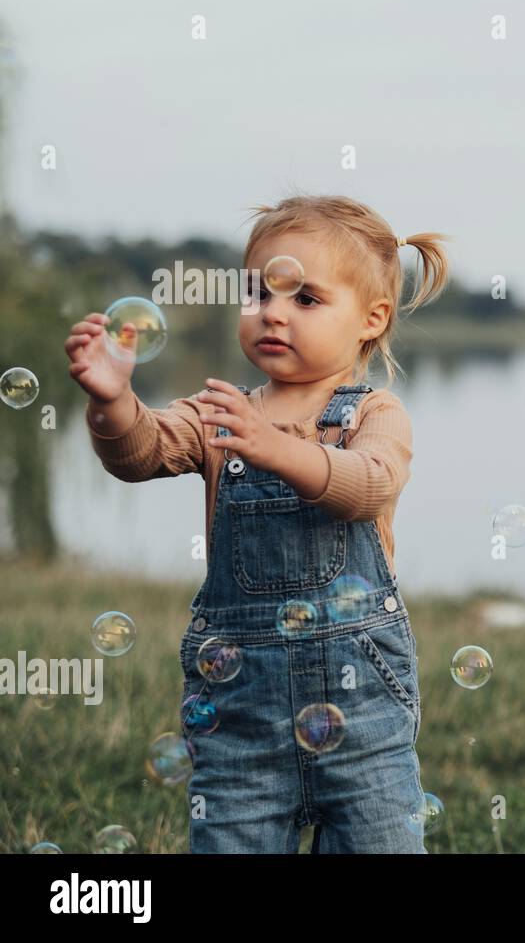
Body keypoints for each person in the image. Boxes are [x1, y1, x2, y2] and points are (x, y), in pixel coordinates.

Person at [65, 194, 450, 852]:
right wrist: (113, 403)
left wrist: (274, 447)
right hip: (239, 722)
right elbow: (143, 452)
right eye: (258, 293)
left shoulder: (374, 415)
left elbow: (368, 485)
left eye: (305, 299)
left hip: (364, 730)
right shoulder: (220, 412)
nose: (272, 311)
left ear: (370, 318)